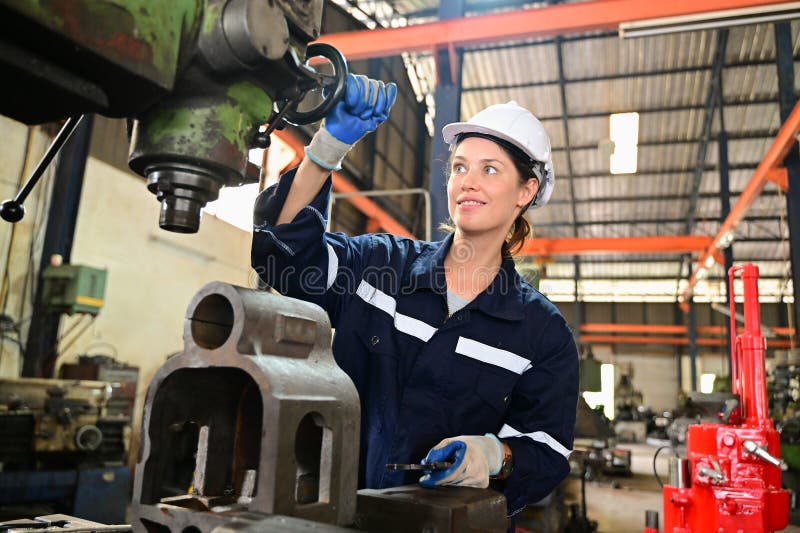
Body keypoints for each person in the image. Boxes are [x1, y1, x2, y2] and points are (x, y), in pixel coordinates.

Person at [251, 73, 578, 518]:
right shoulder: (380, 268)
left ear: (526, 190)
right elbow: (286, 258)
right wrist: (327, 147)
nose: (468, 181)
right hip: (337, 517)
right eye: (460, 166)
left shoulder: (542, 335)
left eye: (490, 169)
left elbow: (548, 450)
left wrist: (491, 454)